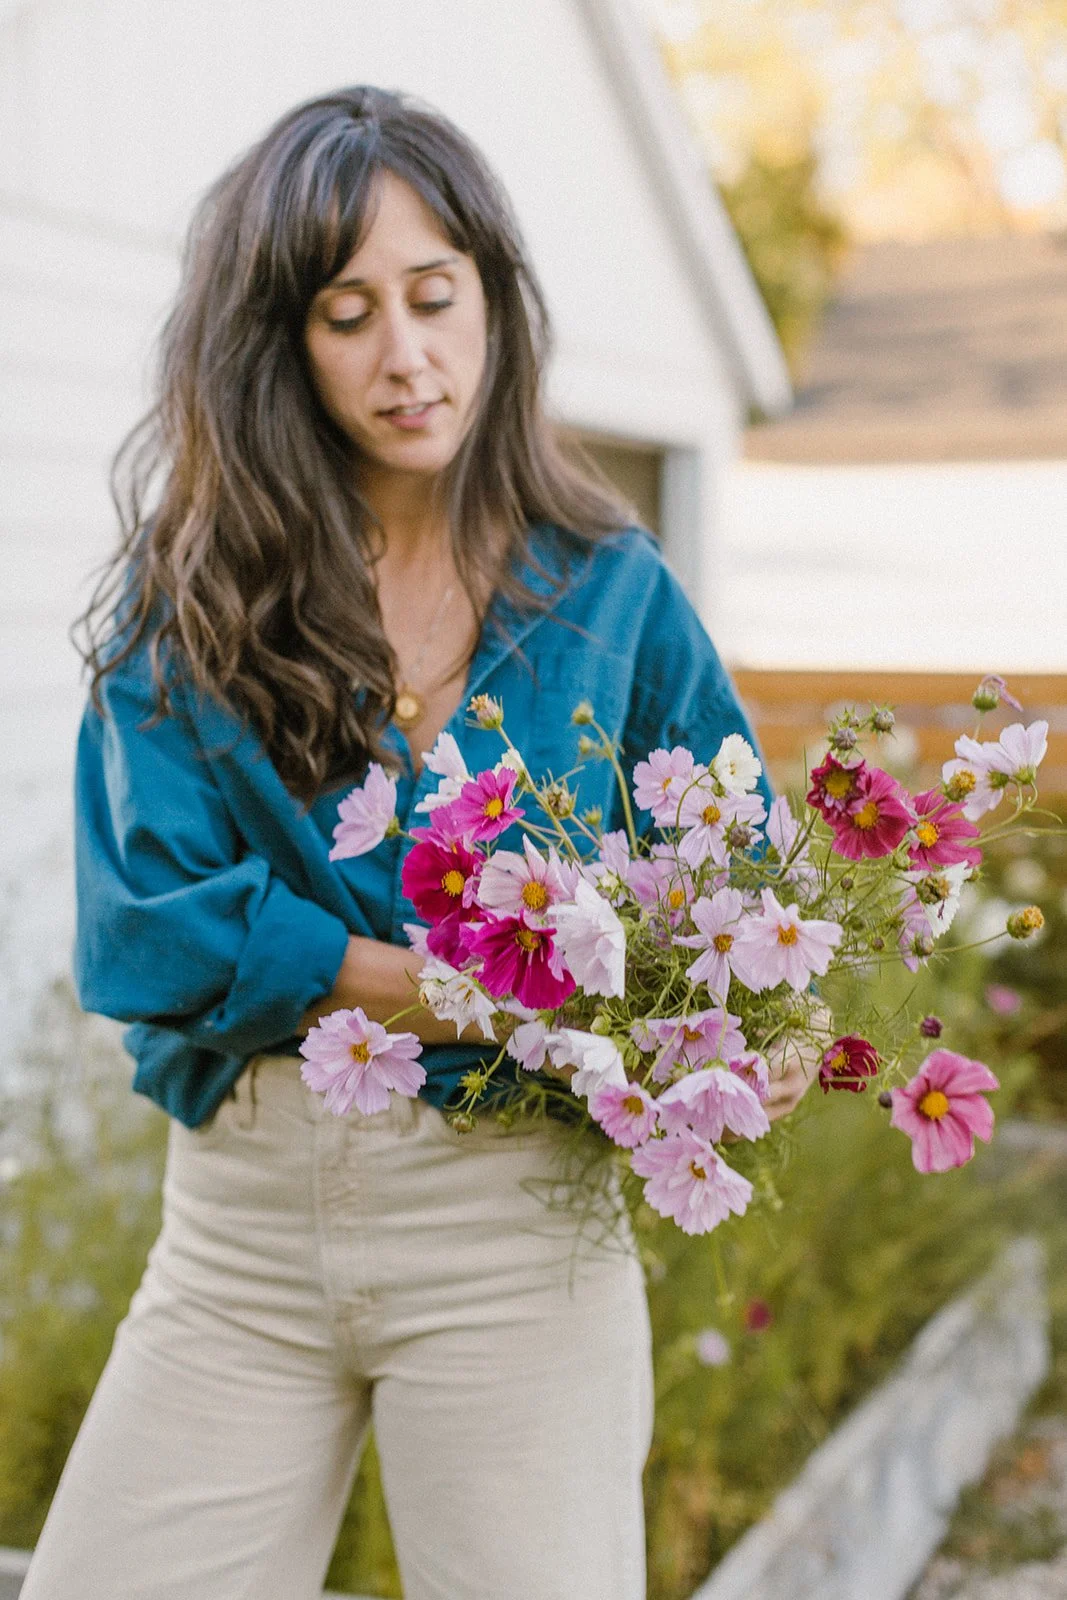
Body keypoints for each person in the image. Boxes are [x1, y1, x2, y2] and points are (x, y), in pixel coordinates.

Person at [23, 87, 815, 1600]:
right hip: (244, 1232)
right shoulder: (190, 599)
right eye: (346, 314)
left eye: (436, 298)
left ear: (494, 306)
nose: (407, 356)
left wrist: (759, 1040)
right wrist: (442, 990)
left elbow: (747, 879)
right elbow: (151, 929)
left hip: (514, 1229)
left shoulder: (613, 595)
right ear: (280, 346)